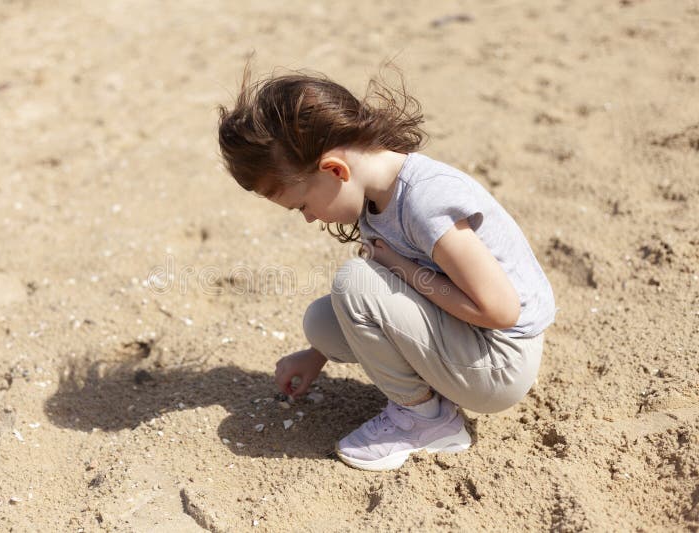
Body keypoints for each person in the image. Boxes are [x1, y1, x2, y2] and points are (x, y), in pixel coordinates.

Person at [217, 65, 556, 471]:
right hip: (466, 338)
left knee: (356, 283)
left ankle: (428, 422)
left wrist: (398, 267)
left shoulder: (425, 202)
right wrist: (317, 355)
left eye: (302, 205)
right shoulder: (375, 193)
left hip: (499, 363)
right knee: (323, 324)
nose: (308, 218)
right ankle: (428, 392)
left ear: (335, 170)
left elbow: (500, 312)